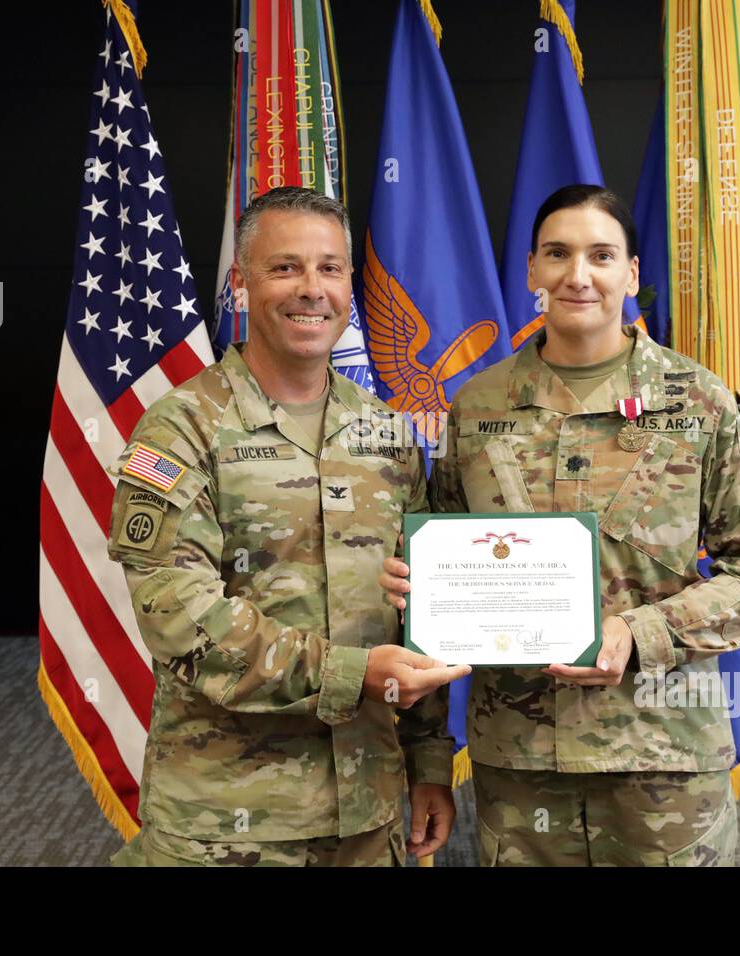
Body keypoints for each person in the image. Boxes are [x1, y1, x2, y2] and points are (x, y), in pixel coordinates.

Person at [380, 184, 740, 866]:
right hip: (518, 761)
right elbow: (429, 597)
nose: (578, 274)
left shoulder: (698, 401)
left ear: (631, 274)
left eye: (601, 255)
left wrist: (638, 632)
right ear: (531, 272)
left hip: (662, 760)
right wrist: (428, 756)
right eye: (558, 254)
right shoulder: (477, 406)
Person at [107, 186, 469, 867]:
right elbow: (178, 617)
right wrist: (351, 672)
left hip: (368, 810)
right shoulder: (181, 430)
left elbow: (420, 609)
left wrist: (428, 764)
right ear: (241, 283)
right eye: (286, 268)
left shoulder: (387, 434)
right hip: (228, 821)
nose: (312, 289)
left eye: (330, 268)